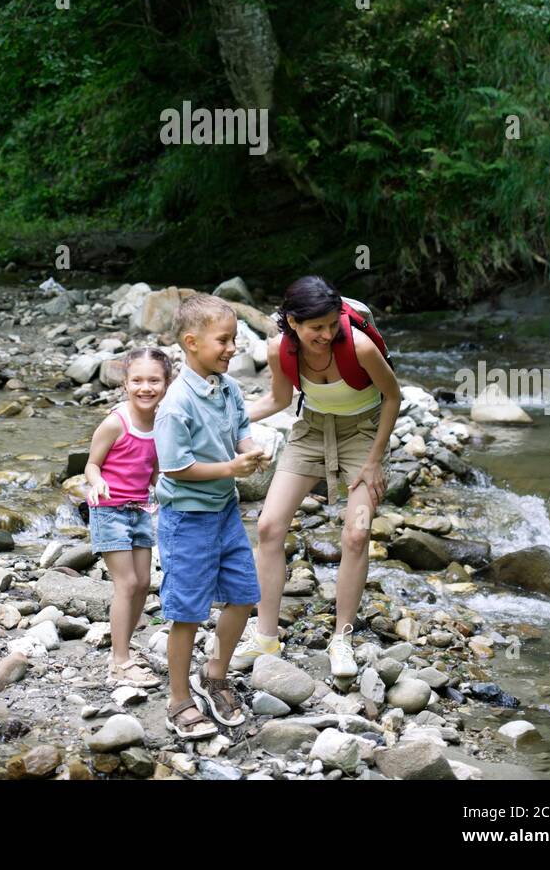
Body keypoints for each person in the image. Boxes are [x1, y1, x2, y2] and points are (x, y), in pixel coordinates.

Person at [232, 275, 400, 679]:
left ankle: (342, 638)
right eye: (316, 328)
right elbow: (279, 399)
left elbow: (393, 396)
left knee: (357, 534)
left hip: (365, 434)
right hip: (310, 433)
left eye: (331, 324)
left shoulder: (358, 346)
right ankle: (266, 635)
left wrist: (375, 461)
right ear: (292, 323)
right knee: (270, 527)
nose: (326, 334)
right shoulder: (279, 350)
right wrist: (228, 420)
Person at [154, 292, 267, 739]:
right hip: (187, 518)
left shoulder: (229, 388)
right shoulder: (176, 405)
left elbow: (241, 430)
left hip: (224, 512)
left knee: (243, 595)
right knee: (187, 611)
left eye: (235, 339)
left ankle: (215, 673)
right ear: (191, 342)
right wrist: (231, 469)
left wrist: (250, 450)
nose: (233, 347)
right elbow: (175, 467)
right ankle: (178, 699)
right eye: (224, 340)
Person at [84, 347, 172, 688]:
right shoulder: (115, 423)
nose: (145, 388)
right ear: (125, 384)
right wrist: (98, 481)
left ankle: (124, 648)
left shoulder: (162, 422)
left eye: (154, 380)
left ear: (167, 383)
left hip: (139, 510)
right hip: (108, 510)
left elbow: (152, 470)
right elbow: (92, 464)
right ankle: (118, 662)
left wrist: (166, 488)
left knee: (143, 584)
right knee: (128, 584)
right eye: (137, 380)